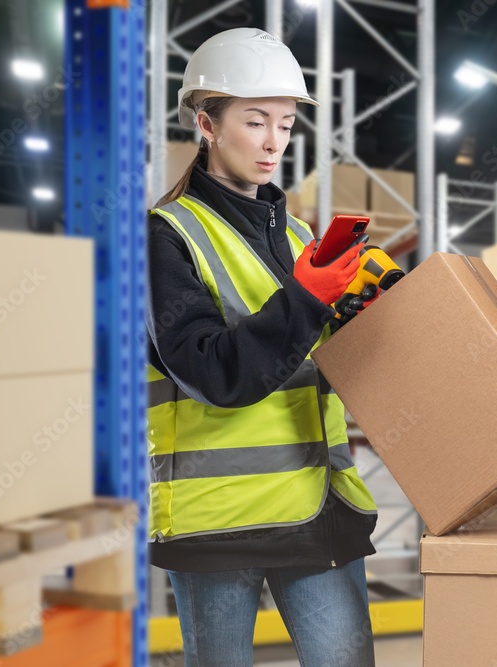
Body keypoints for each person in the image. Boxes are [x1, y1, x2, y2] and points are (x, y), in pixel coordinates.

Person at [144, 27, 378, 667]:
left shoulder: (301, 234)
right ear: (207, 125)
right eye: (255, 121)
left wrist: (366, 315)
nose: (275, 142)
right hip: (219, 522)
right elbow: (214, 374)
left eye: (285, 123)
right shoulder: (167, 236)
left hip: (319, 507)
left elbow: (320, 369)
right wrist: (305, 299)